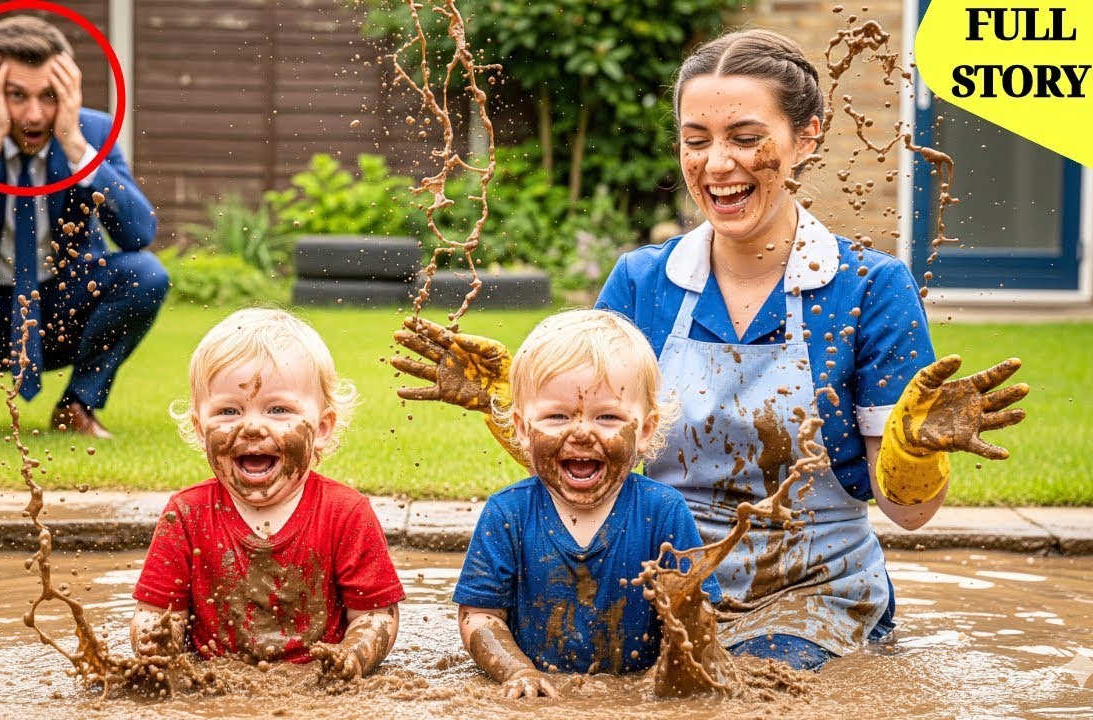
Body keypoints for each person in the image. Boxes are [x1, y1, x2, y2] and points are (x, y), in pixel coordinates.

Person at [393, 29, 1028, 671]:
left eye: (746, 138)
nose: (717, 163)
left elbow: (909, 515)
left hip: (811, 596)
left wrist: (914, 451)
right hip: (656, 585)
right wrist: (511, 405)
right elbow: (595, 447)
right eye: (696, 141)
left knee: (746, 690)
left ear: (806, 136)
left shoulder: (868, 289)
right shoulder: (642, 282)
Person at [0, 15, 167, 440]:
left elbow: (139, 232)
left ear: (70, 91)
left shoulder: (92, 130)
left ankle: (78, 405)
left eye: (49, 96)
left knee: (147, 273)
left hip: (63, 310)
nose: (35, 114)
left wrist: (76, 145)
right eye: (16, 96)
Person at [451, 309, 721, 698]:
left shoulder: (663, 511)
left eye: (608, 417)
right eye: (557, 416)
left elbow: (697, 613)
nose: (581, 432)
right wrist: (516, 671)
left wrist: (662, 679)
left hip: (637, 687)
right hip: (538, 687)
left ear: (644, 430)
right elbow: (480, 614)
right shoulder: (507, 513)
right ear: (523, 430)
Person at [131, 308, 404, 680]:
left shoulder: (346, 513)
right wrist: (156, 646)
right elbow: (155, 612)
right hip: (217, 686)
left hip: (317, 687)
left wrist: (351, 658)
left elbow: (375, 615)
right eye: (228, 410)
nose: (253, 426)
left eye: (278, 409)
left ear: (322, 428)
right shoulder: (187, 514)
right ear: (199, 429)